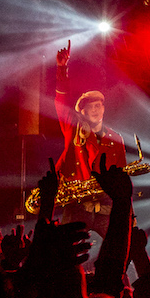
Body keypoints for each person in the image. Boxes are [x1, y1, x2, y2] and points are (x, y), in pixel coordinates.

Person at [55, 41, 127, 238]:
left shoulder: (115, 138)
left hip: (106, 203)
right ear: (82, 111)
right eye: (91, 107)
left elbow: (122, 178)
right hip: (77, 201)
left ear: (104, 109)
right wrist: (62, 69)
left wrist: (129, 211)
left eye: (99, 106)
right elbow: (61, 102)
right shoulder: (73, 128)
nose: (95, 109)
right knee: (69, 251)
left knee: (119, 248)